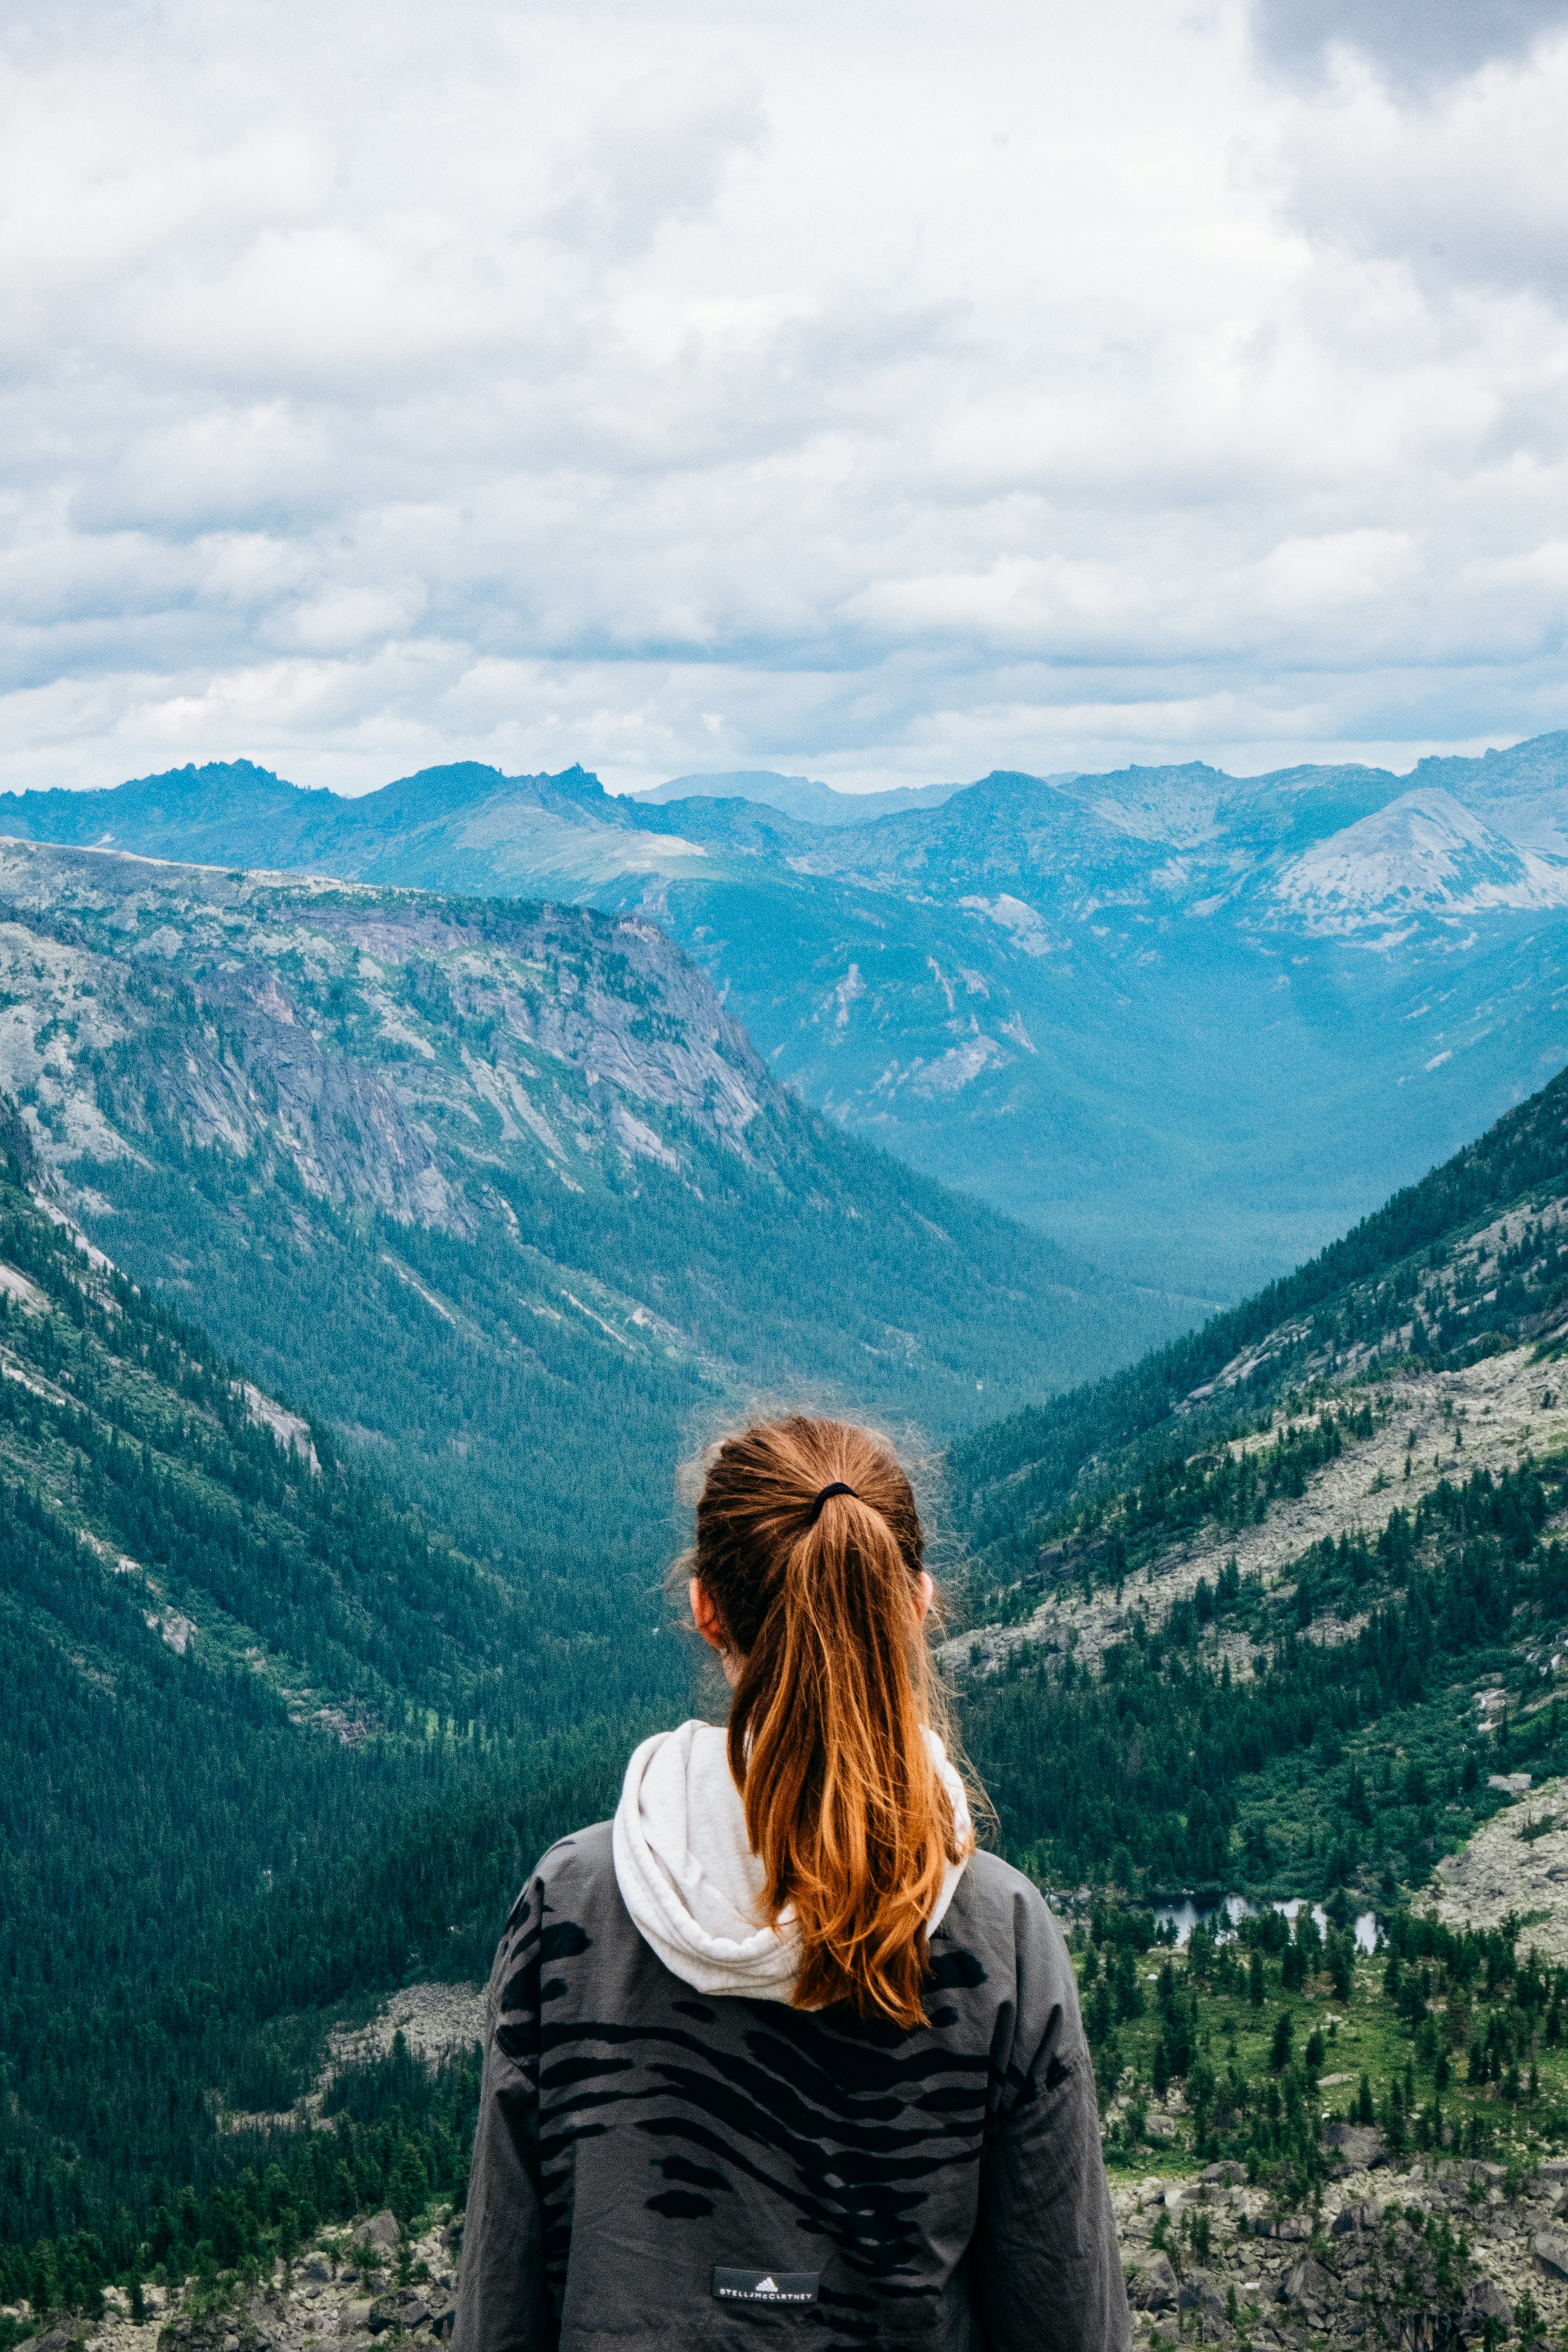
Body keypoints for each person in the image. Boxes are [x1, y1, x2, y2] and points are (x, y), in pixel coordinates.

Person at [455, 1415, 1127, 2352]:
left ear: (704, 1610)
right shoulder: (998, 1931)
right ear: (918, 1603)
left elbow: (501, 2303)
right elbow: (1067, 2318)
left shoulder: (572, 1905)